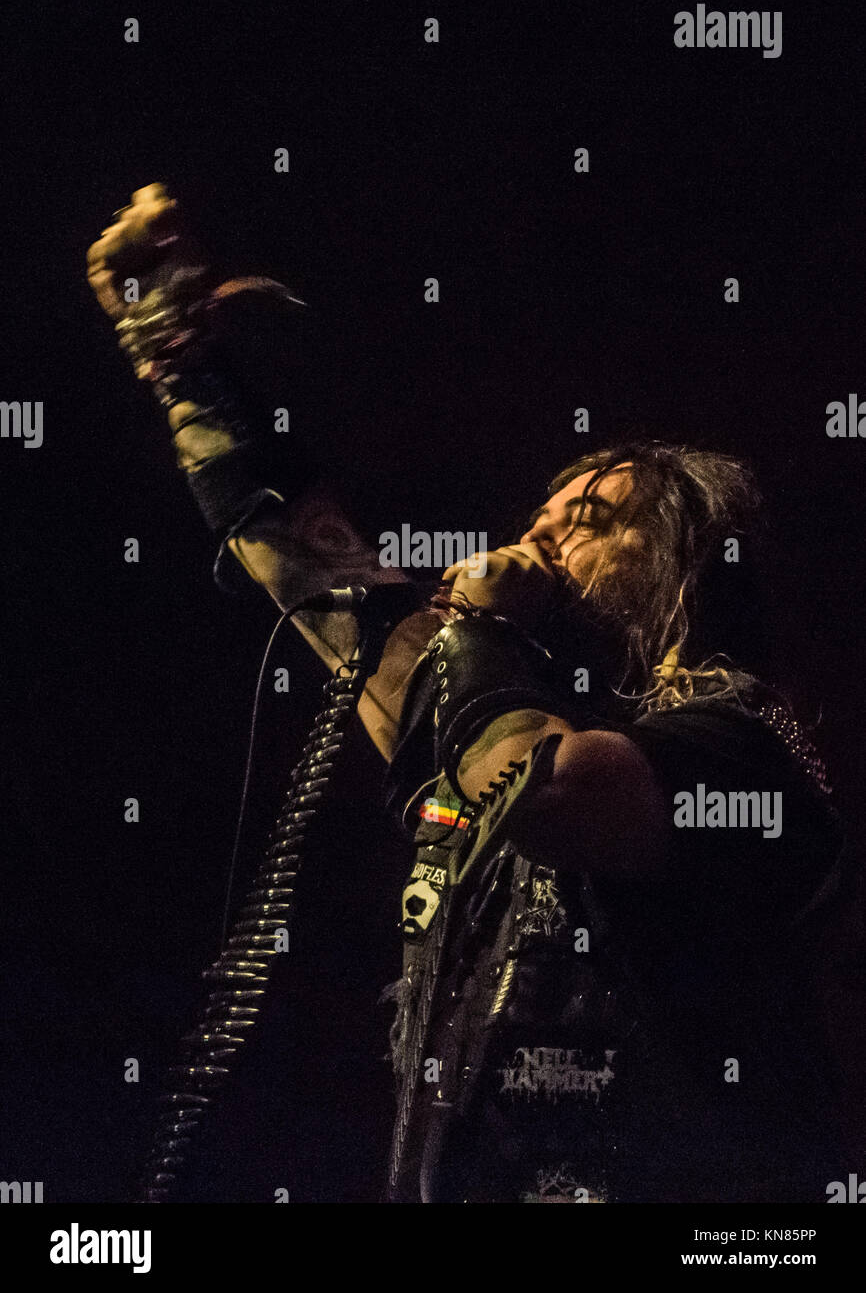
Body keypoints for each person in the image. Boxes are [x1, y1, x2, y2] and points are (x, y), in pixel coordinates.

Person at [87, 185, 851, 1203]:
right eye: (538, 523)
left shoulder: (745, 750)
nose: (540, 542)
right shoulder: (486, 717)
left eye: (591, 521)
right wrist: (181, 364)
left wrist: (482, 631)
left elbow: (552, 791)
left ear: (688, 565)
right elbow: (319, 576)